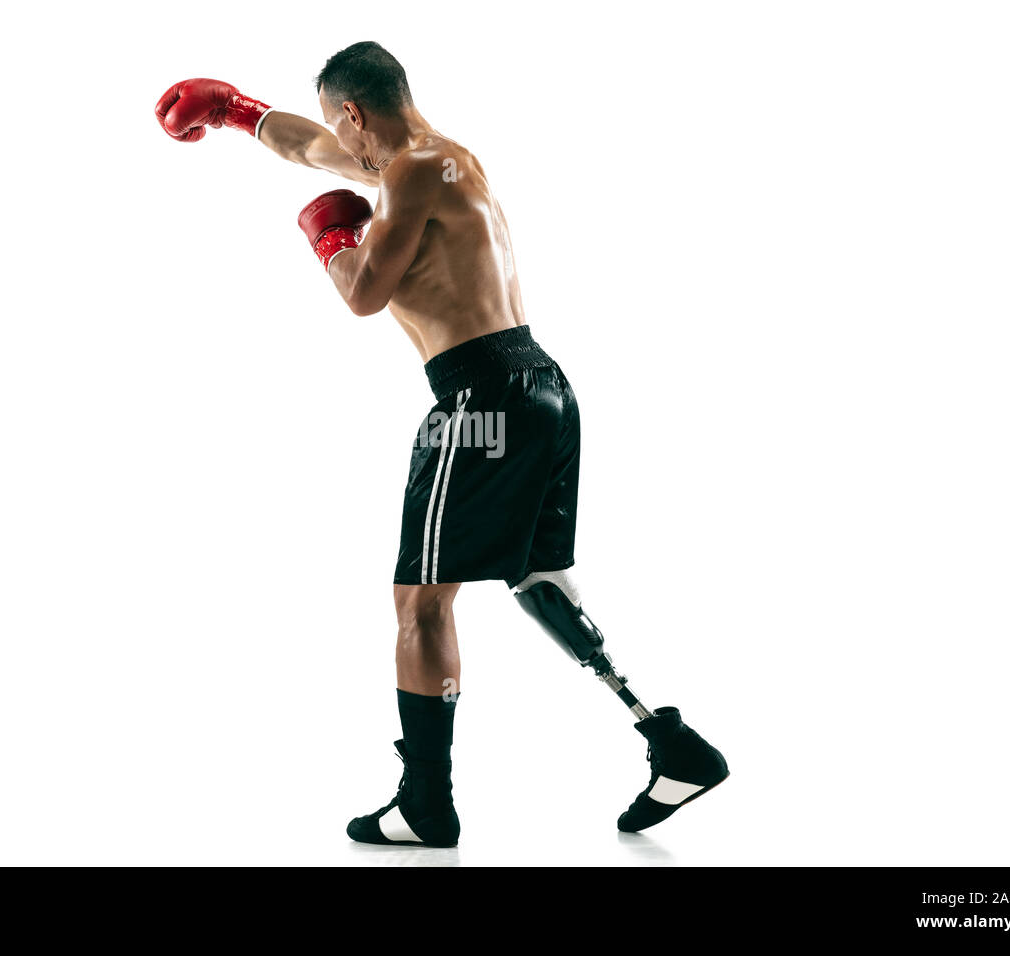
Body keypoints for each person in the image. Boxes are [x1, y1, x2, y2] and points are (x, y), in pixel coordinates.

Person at [154, 41, 729, 847]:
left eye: (337, 124)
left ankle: (426, 802)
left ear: (355, 111)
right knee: (534, 576)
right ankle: (672, 743)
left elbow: (363, 295)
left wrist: (328, 237)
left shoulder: (411, 173)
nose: (333, 145)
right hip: (542, 388)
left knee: (420, 600)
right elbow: (309, 147)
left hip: (479, 399)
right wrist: (237, 113)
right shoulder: (436, 160)